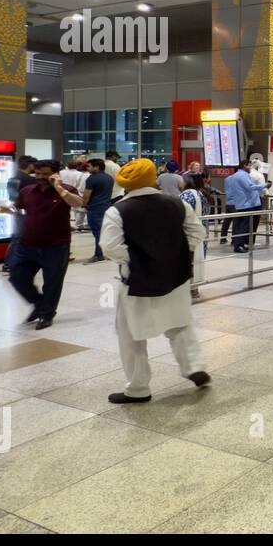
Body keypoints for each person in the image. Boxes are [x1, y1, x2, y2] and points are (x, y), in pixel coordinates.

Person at [100, 159, 211, 404]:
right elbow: (197, 233)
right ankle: (194, 368)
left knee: (131, 335)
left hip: (136, 282)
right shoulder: (177, 203)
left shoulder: (117, 210)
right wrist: (173, 253)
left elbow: (110, 247)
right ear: (153, 179)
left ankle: (138, 388)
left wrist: (138, 260)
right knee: (180, 325)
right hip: (176, 276)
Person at [0, 160, 83, 329]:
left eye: (45, 174)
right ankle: (39, 304)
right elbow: (19, 207)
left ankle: (47, 314)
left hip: (56, 246)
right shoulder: (28, 190)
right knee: (17, 277)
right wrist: (8, 209)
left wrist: (59, 188)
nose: (40, 177)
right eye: (38, 174)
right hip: (28, 244)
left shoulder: (66, 190)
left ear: (55, 174)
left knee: (52, 283)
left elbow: (78, 203)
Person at [1, 155, 38, 274]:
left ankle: (9, 263)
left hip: (15, 210)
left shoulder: (13, 178)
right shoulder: (30, 180)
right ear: (30, 165)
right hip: (26, 212)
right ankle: (10, 264)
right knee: (19, 238)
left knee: (17, 237)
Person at [225, 159, 266, 253]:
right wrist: (264, 185)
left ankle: (240, 244)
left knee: (241, 226)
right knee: (243, 227)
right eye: (249, 166)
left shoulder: (236, 176)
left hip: (241, 204)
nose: (250, 168)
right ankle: (238, 246)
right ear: (244, 165)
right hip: (246, 205)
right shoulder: (242, 175)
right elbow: (250, 187)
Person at [180, 173, 209, 294]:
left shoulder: (188, 195)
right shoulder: (202, 194)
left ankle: (188, 288)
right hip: (202, 232)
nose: (180, 183)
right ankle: (194, 288)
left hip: (189, 234)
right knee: (195, 260)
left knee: (187, 261)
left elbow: (181, 212)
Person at [81, 158, 115, 263]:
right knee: (104, 231)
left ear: (97, 167)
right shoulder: (109, 178)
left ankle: (99, 254)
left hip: (94, 208)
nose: (87, 168)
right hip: (106, 206)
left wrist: (83, 204)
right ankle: (107, 253)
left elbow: (86, 195)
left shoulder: (92, 179)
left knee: (97, 232)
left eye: (89, 166)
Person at [60, 159, 86, 230]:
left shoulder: (61, 172)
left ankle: (65, 224)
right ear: (77, 166)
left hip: (61, 191)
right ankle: (78, 225)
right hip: (74, 192)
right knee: (77, 210)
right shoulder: (80, 174)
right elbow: (80, 185)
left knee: (63, 210)